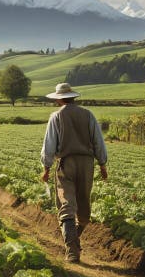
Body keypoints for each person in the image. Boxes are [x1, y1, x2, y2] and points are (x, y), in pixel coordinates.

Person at [40, 83, 108, 262]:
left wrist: (46, 168)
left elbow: (49, 145)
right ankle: (74, 239)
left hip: (67, 163)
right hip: (87, 164)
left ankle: (71, 249)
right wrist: (102, 164)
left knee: (66, 202)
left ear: (59, 99)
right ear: (73, 97)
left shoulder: (56, 116)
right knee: (83, 204)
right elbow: (98, 141)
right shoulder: (88, 115)